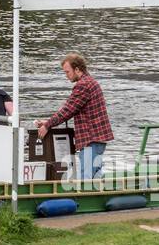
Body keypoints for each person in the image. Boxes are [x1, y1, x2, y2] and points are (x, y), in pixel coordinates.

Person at [37, 53, 114, 183]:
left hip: (91, 140)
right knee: (96, 176)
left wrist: (47, 125)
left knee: (87, 180)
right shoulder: (91, 82)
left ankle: (87, 202)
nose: (66, 75)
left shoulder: (83, 85)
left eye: (67, 72)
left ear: (77, 69)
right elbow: (72, 109)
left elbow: (67, 110)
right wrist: (49, 121)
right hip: (98, 139)